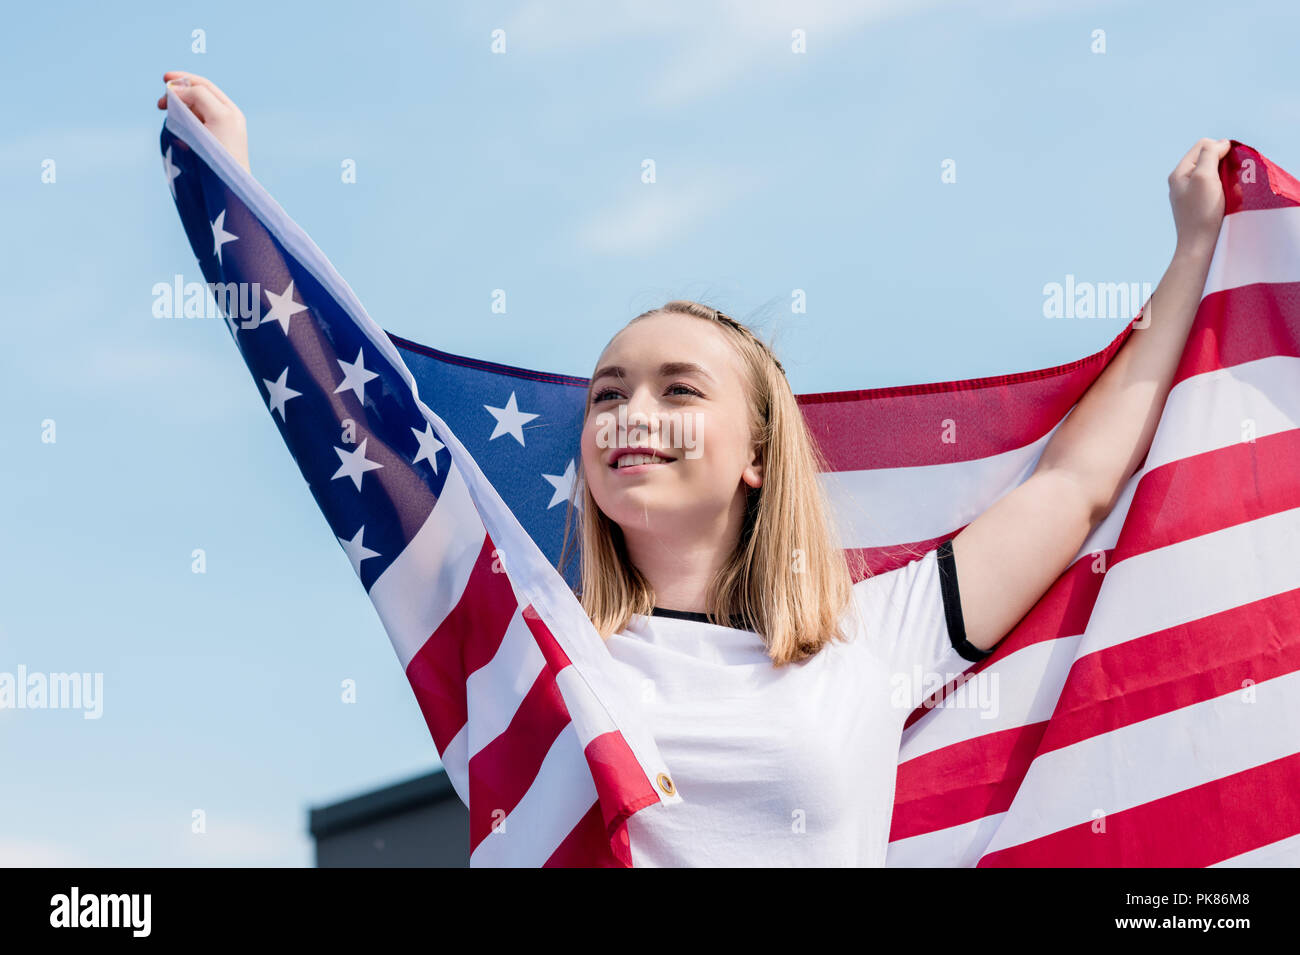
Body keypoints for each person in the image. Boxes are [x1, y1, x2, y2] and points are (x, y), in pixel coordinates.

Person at [158, 71, 1231, 865]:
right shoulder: (532, 648)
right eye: (612, 390)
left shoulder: (874, 643)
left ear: (757, 455)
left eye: (680, 389)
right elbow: (353, 420)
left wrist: (1191, 255)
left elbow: (1073, 485)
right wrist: (237, 199)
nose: (631, 412)